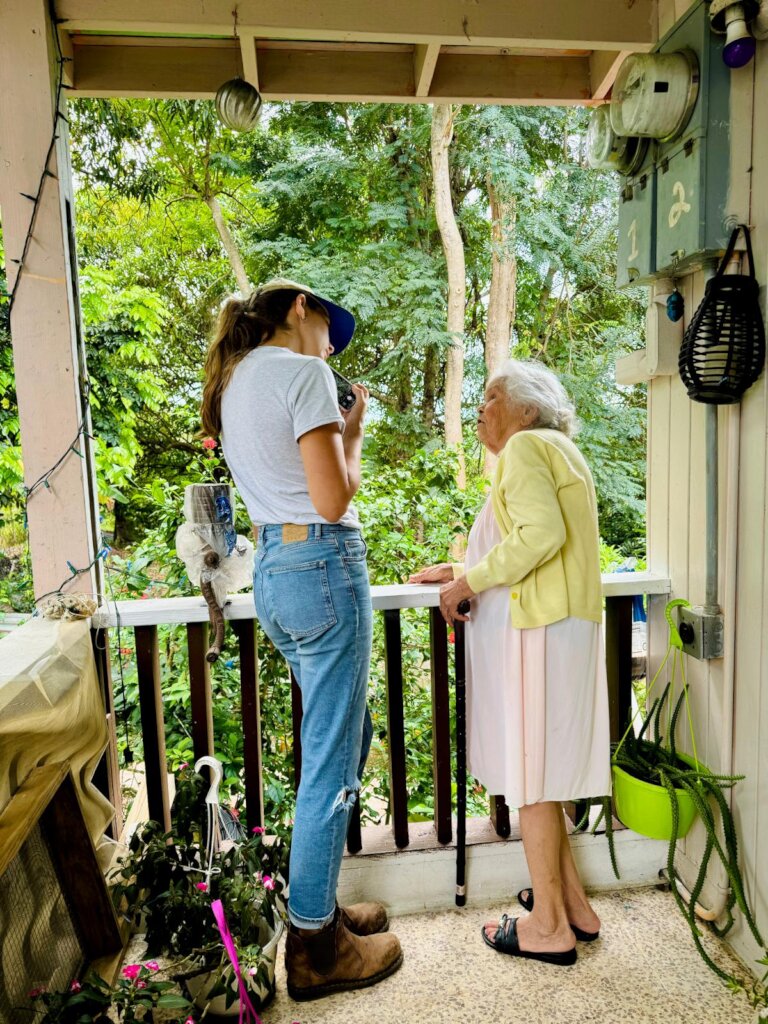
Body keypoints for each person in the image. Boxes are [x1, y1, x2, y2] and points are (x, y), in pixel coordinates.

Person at [201, 279, 403, 1001]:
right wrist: (352, 431)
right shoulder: (304, 372)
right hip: (322, 562)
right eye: (328, 327)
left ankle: (317, 907)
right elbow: (332, 498)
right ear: (298, 309)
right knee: (330, 761)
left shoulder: (235, 382)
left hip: (278, 575)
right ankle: (316, 948)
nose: (332, 345)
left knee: (346, 735)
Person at [410, 359, 611, 967]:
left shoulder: (525, 447)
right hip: (566, 626)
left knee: (532, 775)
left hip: (542, 630)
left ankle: (548, 925)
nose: (480, 408)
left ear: (526, 409)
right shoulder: (560, 451)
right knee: (545, 772)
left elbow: (540, 535)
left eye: (492, 397)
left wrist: (469, 578)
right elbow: (526, 539)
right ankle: (574, 906)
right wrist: (461, 568)